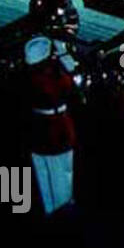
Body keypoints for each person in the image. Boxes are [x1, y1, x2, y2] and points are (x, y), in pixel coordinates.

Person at [24, 36, 78, 215]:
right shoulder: (52, 76)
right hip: (58, 132)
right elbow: (72, 79)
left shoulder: (30, 76)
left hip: (37, 131)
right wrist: (62, 53)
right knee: (62, 182)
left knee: (45, 185)